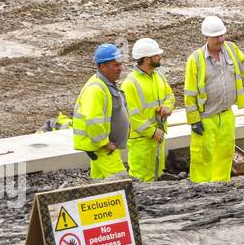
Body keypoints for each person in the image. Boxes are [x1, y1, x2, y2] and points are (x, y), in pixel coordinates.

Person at [183, 16, 244, 183]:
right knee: (204, 157)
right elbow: (190, 93)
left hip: (226, 115)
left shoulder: (231, 49)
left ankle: (222, 185)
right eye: (216, 37)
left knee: (224, 154)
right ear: (206, 37)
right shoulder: (195, 59)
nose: (221, 39)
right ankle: (200, 188)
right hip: (206, 117)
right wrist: (194, 120)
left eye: (222, 35)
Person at [71, 44, 129, 180]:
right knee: (121, 183)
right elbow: (92, 120)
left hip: (103, 147)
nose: (120, 68)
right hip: (103, 149)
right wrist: (104, 142)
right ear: (103, 67)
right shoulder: (96, 89)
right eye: (116, 65)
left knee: (100, 184)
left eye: (120, 64)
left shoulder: (108, 84)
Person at [123, 37, 175, 182]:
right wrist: (152, 132)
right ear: (146, 59)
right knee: (142, 181)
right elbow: (133, 115)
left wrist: (167, 107)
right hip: (141, 142)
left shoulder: (159, 77)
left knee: (157, 178)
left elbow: (170, 96)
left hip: (157, 138)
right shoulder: (130, 83)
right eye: (156, 55)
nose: (160, 57)